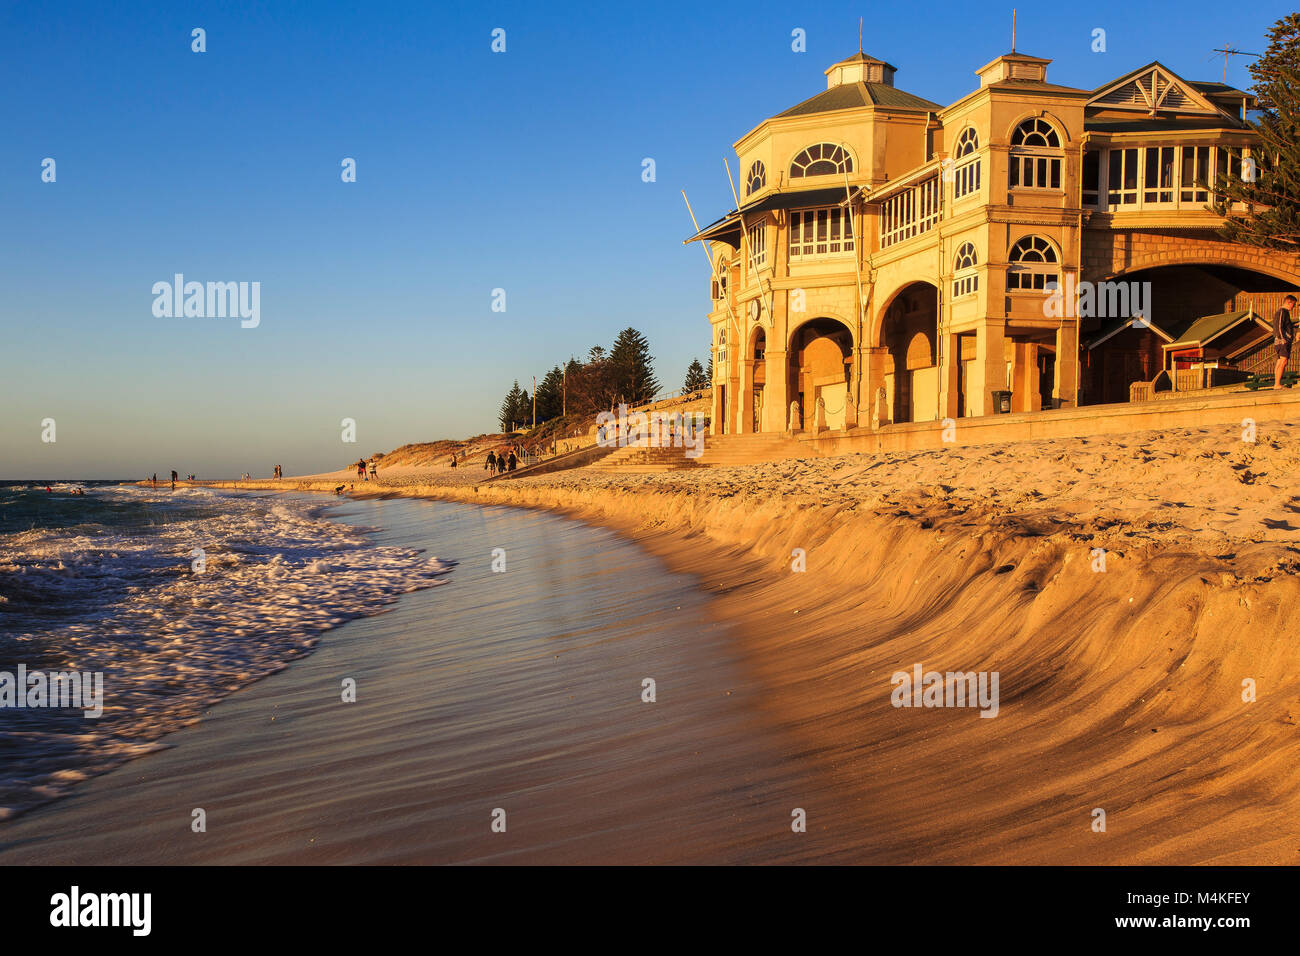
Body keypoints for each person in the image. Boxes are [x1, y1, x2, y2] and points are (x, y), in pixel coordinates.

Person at [1274, 294, 1297, 389]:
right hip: (1282, 341)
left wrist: (1296, 324)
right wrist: (1282, 338)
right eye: (1294, 304)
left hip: (1283, 340)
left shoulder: (1285, 313)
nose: (1294, 307)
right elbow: (1278, 326)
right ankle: (1277, 384)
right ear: (1289, 302)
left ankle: (1277, 383)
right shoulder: (1282, 311)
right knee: (1283, 361)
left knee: (1280, 361)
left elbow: (1287, 325)